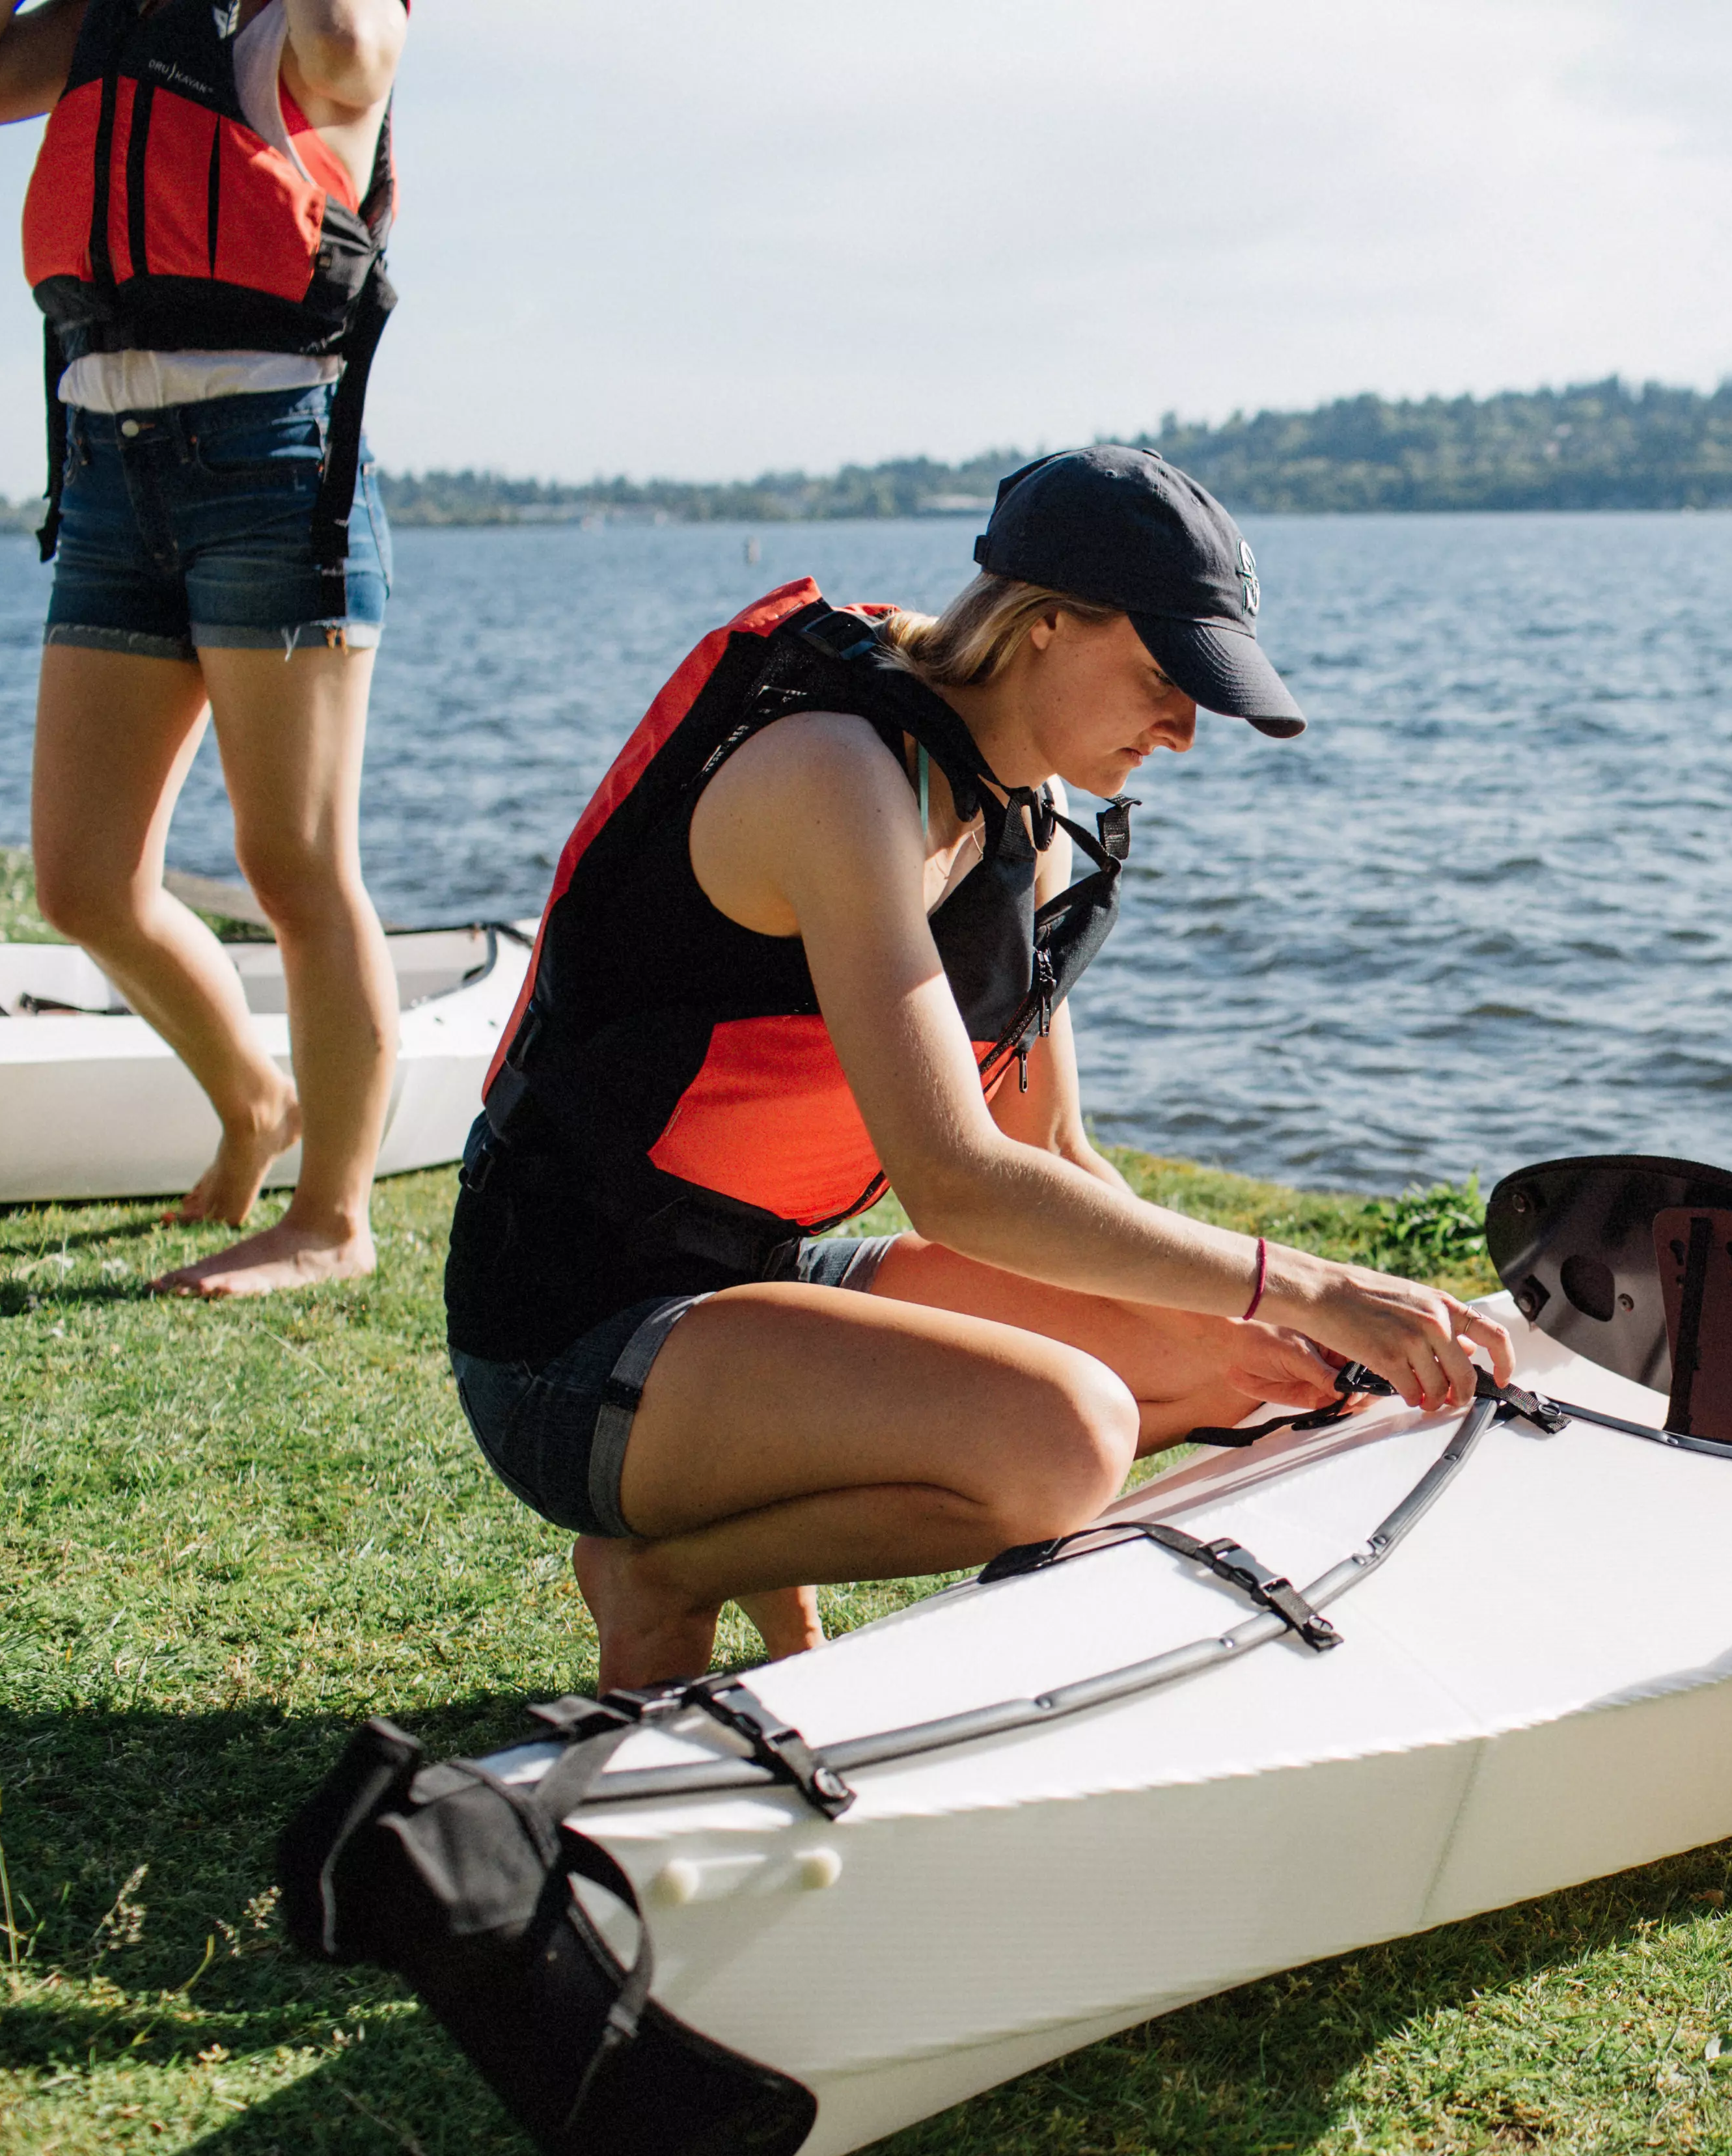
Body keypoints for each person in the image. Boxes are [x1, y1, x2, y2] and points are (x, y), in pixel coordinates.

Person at [444, 448, 1515, 1689]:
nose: (1184, 733)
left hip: (759, 1272)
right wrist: (1309, 1281)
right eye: (1167, 679)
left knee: (1238, 1360)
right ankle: (659, 1576)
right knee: (1068, 1436)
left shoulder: (1022, 806)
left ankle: (735, 1541)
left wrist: (1282, 1318)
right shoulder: (835, 775)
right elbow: (957, 1182)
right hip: (572, 1336)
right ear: (1046, 625)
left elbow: (1051, 1152)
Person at [0, 0, 410, 1297]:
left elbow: (340, 54)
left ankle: (333, 1221)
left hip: (274, 466)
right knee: (87, 881)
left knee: (292, 865)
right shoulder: (108, 20)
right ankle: (253, 1101)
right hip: (113, 472)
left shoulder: (325, 24)